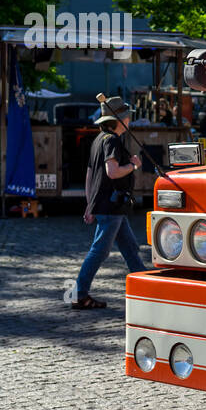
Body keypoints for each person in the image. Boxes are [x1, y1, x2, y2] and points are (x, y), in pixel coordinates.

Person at [71, 96, 148, 308]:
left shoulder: (99, 139)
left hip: (110, 206)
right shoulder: (112, 141)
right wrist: (133, 166)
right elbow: (112, 172)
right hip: (111, 206)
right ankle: (79, 294)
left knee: (130, 248)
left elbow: (89, 175)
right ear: (120, 119)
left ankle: (147, 289)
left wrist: (90, 204)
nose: (130, 118)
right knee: (100, 250)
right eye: (128, 116)